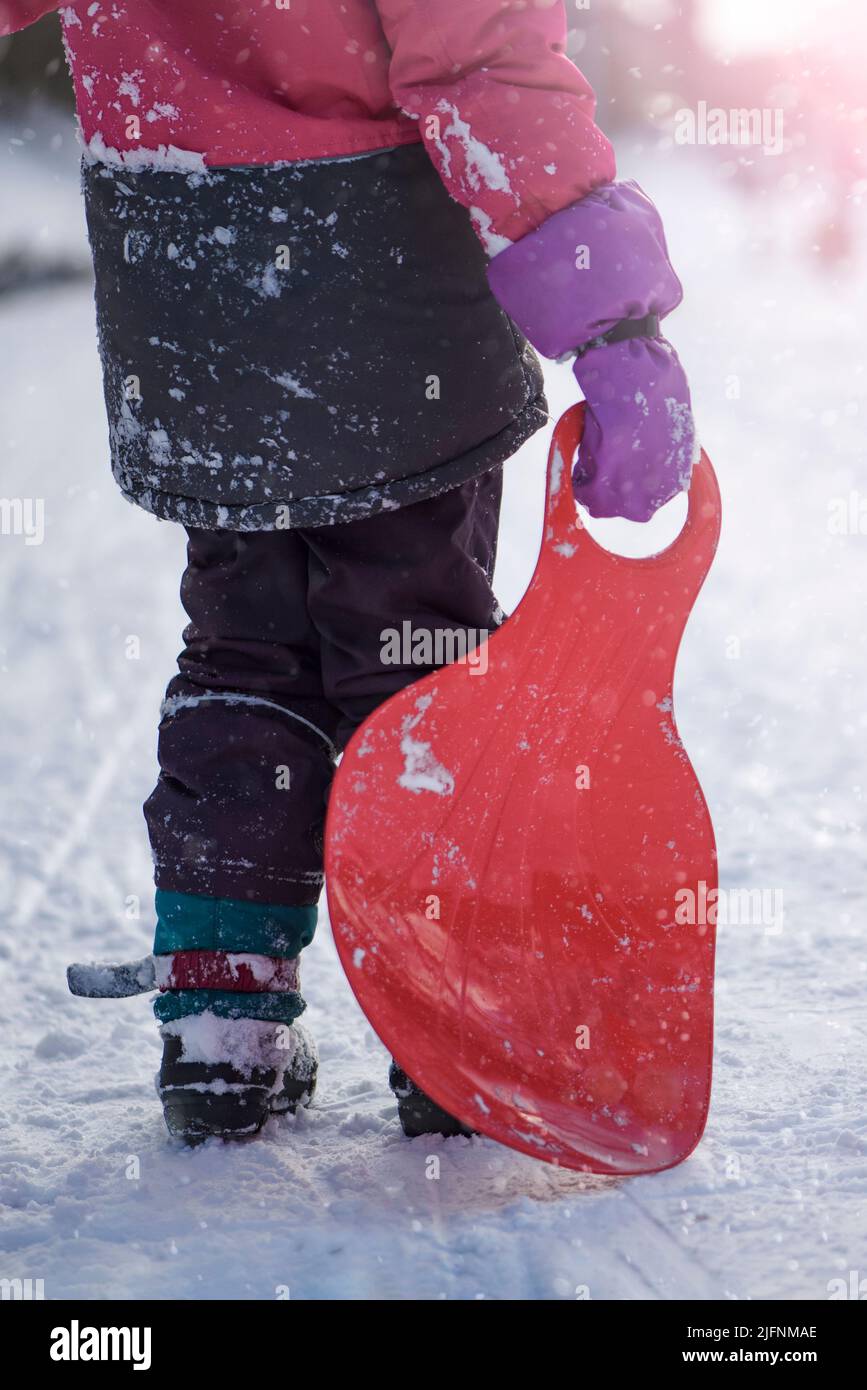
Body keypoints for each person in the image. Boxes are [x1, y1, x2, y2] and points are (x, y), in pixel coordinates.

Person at [2, 1, 697, 1143]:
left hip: (183, 279)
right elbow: (484, 58)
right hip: (380, 284)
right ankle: (451, 1018)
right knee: (415, 649)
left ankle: (224, 1016)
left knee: (243, 641)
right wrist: (612, 325)